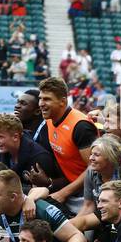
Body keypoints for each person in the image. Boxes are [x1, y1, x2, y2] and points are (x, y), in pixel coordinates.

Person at [37, 77, 97, 212]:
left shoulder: (81, 126)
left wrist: (63, 193)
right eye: (40, 98)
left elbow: (94, 167)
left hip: (88, 193)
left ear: (62, 101)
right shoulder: (49, 120)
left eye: (47, 99)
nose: (41, 103)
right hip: (69, 188)